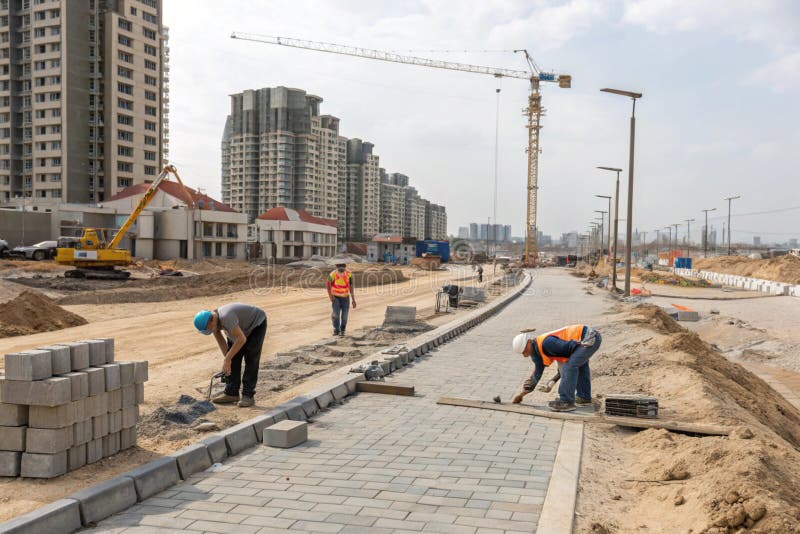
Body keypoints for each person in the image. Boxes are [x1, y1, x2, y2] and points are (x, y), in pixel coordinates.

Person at [511, 324, 602, 412]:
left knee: (570, 366)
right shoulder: (535, 352)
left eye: (525, 350)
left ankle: (566, 401)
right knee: (577, 365)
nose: (525, 355)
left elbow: (570, 349)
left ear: (529, 342)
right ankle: (584, 398)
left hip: (588, 337)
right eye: (522, 353)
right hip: (583, 339)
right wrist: (524, 392)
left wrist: (567, 368)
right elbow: (537, 373)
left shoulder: (547, 343)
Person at [194, 303, 267, 407]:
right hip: (239, 328)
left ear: (211, 321)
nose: (209, 331)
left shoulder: (226, 317)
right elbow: (224, 345)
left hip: (256, 324)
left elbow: (241, 339)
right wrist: (228, 360)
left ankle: (248, 396)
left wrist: (228, 359)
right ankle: (231, 393)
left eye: (208, 329)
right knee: (233, 357)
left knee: (251, 359)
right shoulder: (214, 322)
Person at [327, 261, 357, 336]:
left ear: (345, 266)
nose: (341, 267)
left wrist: (353, 299)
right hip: (336, 298)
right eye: (340, 265)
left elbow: (351, 287)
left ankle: (342, 330)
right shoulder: (332, 274)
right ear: (337, 266)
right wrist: (331, 296)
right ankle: (336, 329)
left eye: (343, 265)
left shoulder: (349, 275)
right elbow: (328, 285)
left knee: (345, 317)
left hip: (345, 298)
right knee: (335, 315)